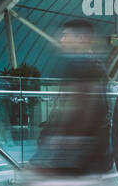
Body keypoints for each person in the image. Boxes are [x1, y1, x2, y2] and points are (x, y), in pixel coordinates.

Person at [30, 19, 112, 176]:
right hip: (82, 147)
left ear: (81, 38)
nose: (62, 39)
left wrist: (64, 140)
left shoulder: (85, 66)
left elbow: (85, 109)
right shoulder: (87, 64)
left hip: (78, 148)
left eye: (66, 35)